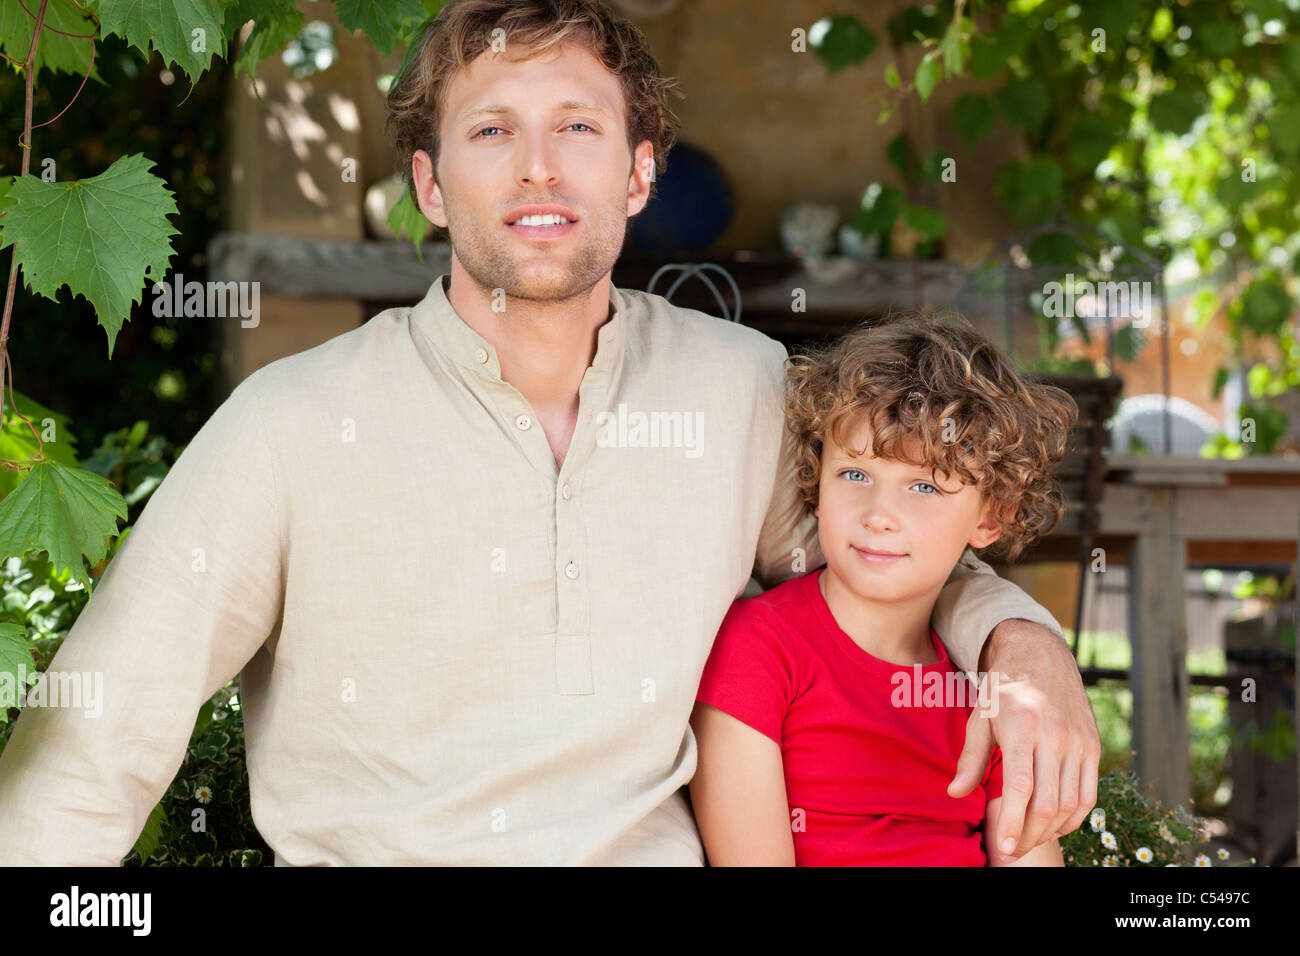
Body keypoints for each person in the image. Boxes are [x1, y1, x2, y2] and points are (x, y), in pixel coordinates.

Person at [0, 0, 1097, 866]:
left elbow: (889, 543)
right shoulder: (291, 422)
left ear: (638, 172)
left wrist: (1021, 642)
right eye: (491, 131)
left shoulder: (742, 391)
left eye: (578, 126)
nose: (539, 167)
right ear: (429, 185)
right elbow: (101, 734)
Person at [690, 314, 1076, 865]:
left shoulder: (986, 688)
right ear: (815, 481)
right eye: (854, 475)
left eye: (923, 486)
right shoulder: (758, 647)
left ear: (992, 518)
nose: (879, 515)